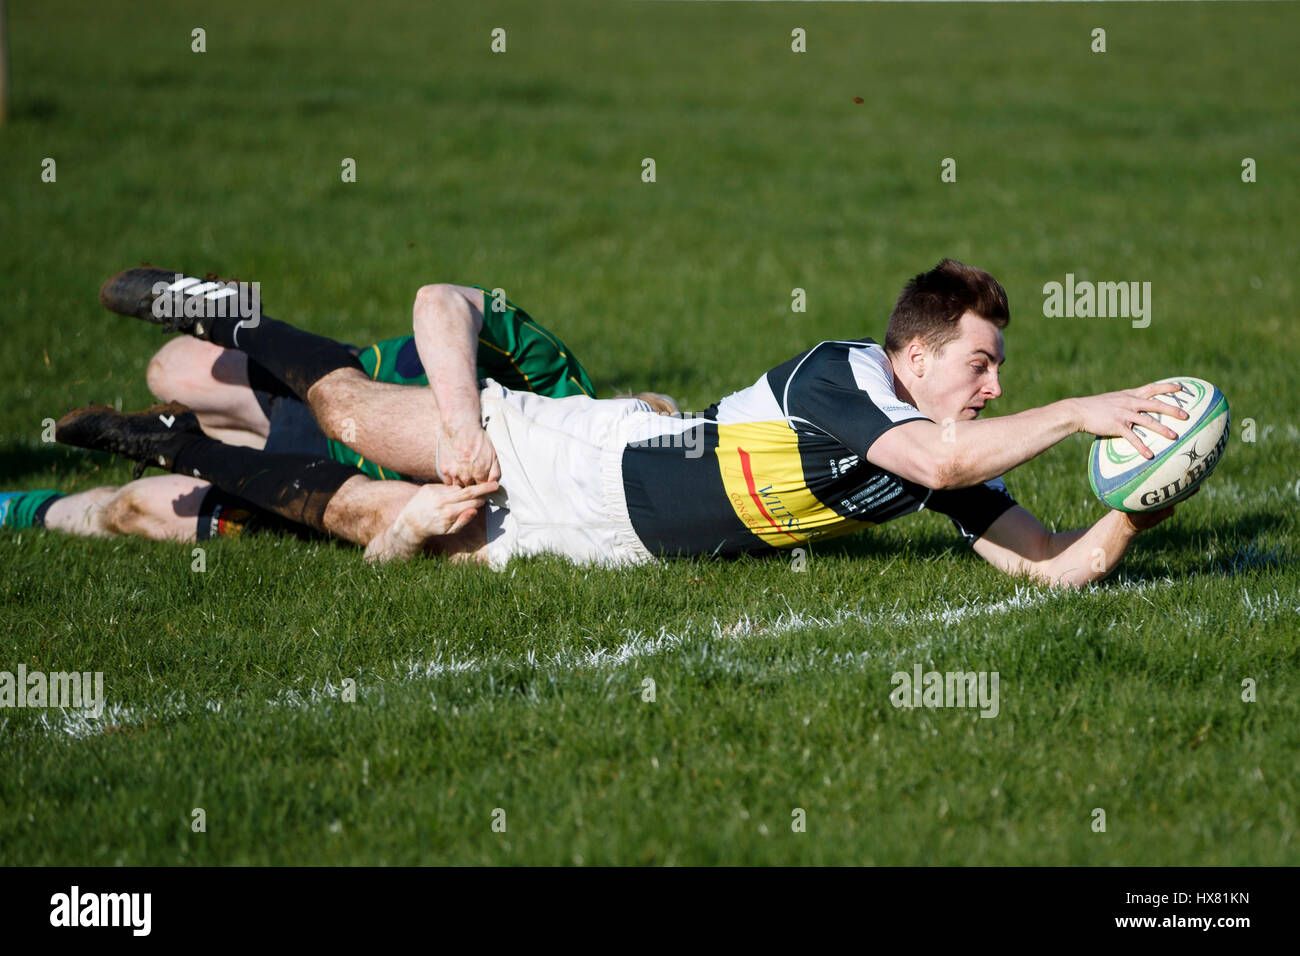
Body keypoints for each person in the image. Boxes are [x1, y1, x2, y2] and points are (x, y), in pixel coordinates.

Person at [47, 259, 1190, 586]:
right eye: (981, 363)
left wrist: (1132, 506)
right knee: (342, 401)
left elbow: (1052, 569)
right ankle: (228, 309)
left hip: (589, 542)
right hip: (572, 452)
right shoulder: (843, 374)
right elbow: (945, 444)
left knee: (366, 521)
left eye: (1004, 375)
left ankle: (154, 439)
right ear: (915, 350)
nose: (992, 386)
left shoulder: (940, 466)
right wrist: (1084, 411)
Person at [1, 266, 668, 547]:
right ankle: (221, 313)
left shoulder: (569, 510)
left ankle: (22, 507)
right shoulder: (558, 381)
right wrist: (462, 422)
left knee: (137, 510)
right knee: (173, 367)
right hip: (331, 394)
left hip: (314, 489)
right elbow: (448, 303)